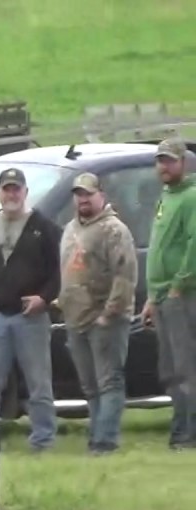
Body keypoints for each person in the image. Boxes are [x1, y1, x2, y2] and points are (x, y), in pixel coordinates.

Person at [0, 167, 62, 451]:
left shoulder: (43, 227)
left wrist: (43, 299)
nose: (12, 194)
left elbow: (59, 271)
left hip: (31, 318)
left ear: (25, 192)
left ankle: (43, 440)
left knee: (39, 384)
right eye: (6, 189)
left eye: (16, 189)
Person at [56, 172, 137, 454]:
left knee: (109, 382)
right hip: (75, 319)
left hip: (104, 319)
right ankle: (96, 436)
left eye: (88, 194)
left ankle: (106, 441)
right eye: (79, 194)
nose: (83, 200)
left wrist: (109, 312)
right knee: (90, 386)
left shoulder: (113, 230)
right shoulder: (70, 229)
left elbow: (125, 276)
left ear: (101, 195)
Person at [140, 137, 196, 451]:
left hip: (183, 296)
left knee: (186, 368)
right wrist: (151, 296)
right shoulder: (165, 196)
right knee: (170, 370)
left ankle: (189, 435)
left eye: (169, 160)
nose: (163, 166)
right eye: (160, 160)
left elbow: (193, 245)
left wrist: (179, 285)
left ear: (183, 163)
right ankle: (179, 431)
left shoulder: (191, 197)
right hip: (161, 297)